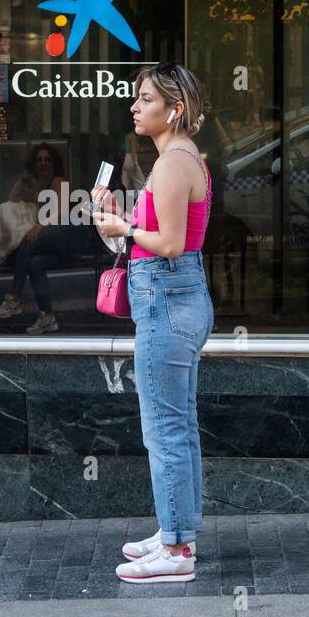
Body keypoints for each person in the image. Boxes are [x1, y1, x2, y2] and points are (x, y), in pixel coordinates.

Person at [93, 62, 214, 584]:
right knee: (178, 426)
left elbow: (167, 246)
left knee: (164, 430)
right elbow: (148, 243)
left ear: (175, 109)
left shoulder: (171, 165)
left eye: (145, 99)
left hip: (167, 302)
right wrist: (119, 218)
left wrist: (123, 224)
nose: (135, 107)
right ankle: (174, 530)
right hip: (176, 296)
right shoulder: (184, 160)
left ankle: (176, 550)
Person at [0, 143, 87, 334]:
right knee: (35, 264)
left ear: (54, 163)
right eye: (39, 160)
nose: (43, 163)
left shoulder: (58, 181)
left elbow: (60, 212)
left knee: (30, 239)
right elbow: (13, 198)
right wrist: (24, 177)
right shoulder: (40, 187)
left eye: (47, 159)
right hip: (56, 243)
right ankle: (47, 316)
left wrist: (39, 226)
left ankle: (13, 298)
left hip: (71, 235)